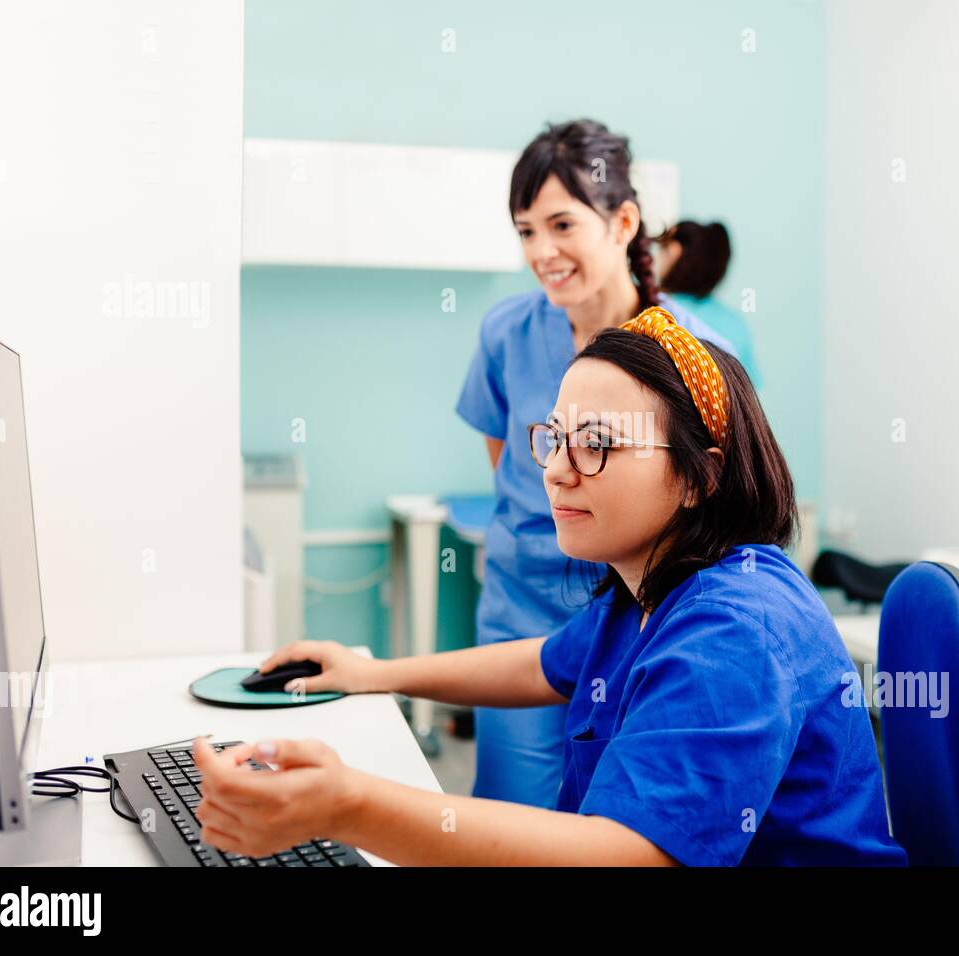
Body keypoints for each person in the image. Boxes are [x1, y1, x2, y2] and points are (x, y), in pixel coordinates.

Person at [191, 307, 908, 866]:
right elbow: (540, 663)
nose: (557, 469)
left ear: (700, 476)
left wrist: (345, 807)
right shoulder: (651, 591)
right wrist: (372, 673)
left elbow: (630, 856)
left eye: (598, 443)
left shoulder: (737, 631)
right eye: (555, 437)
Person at [454, 119, 734, 808]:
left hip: (639, 624)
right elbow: (518, 474)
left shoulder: (693, 356)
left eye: (560, 224)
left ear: (622, 221)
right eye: (525, 232)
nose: (541, 251)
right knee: (512, 826)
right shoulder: (507, 335)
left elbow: (717, 504)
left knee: (615, 821)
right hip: (522, 613)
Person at [653, 220, 761, 385]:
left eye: (662, 250)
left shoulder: (656, 313)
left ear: (674, 252)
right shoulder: (736, 325)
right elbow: (748, 397)